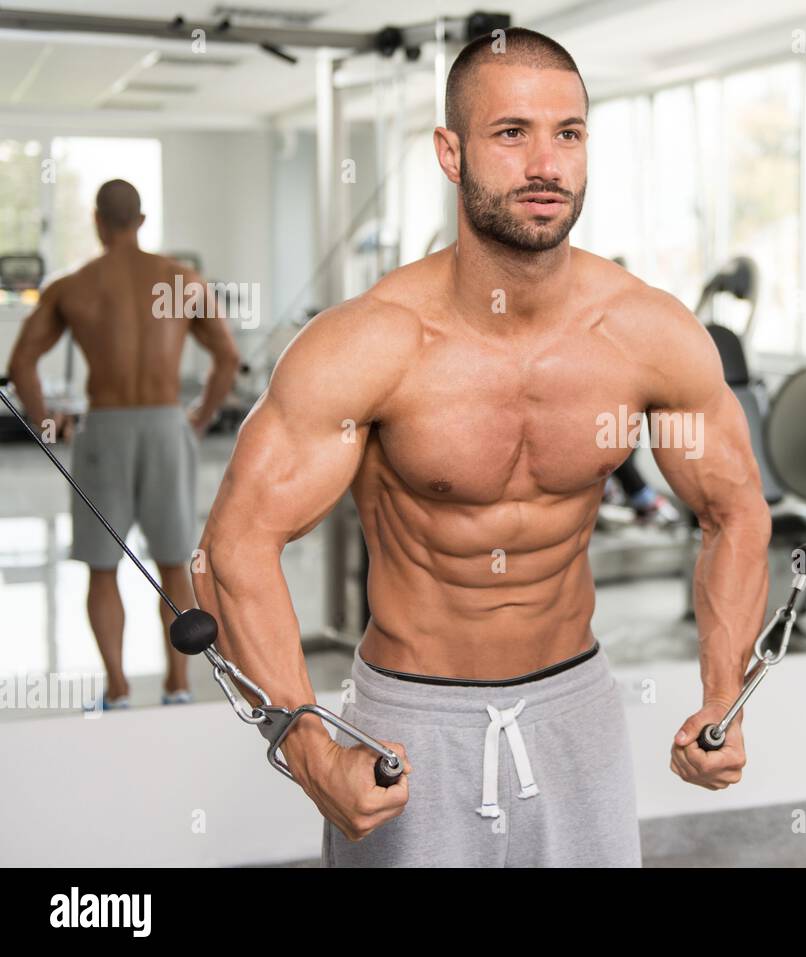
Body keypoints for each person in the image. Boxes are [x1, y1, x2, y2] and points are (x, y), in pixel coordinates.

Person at [193, 27, 771, 868]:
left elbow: (736, 510)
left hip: (577, 707)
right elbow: (232, 546)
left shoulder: (650, 334)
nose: (546, 163)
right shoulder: (369, 345)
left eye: (568, 133)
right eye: (512, 133)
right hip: (410, 722)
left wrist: (725, 697)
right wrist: (311, 746)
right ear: (451, 153)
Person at [6, 179, 240, 709]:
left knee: (103, 564)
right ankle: (178, 687)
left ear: (96, 220)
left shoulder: (75, 285)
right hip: (165, 425)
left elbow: (21, 362)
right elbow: (227, 356)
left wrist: (45, 426)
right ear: (141, 219)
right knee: (175, 562)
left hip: (106, 427)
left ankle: (116, 687)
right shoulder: (179, 279)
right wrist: (197, 419)